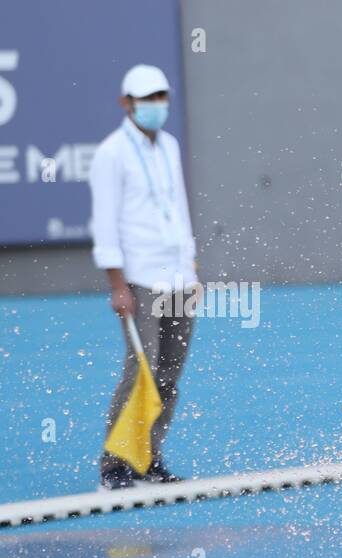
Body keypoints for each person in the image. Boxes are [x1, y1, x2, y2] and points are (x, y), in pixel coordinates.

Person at [89, 64, 198, 490]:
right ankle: (115, 464)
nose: (156, 105)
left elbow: (180, 208)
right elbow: (105, 224)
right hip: (138, 279)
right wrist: (118, 285)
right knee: (141, 370)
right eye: (146, 98)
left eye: (161, 97)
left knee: (170, 375)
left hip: (177, 280)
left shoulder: (168, 145)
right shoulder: (111, 153)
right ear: (126, 103)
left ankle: (148, 457)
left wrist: (191, 268)